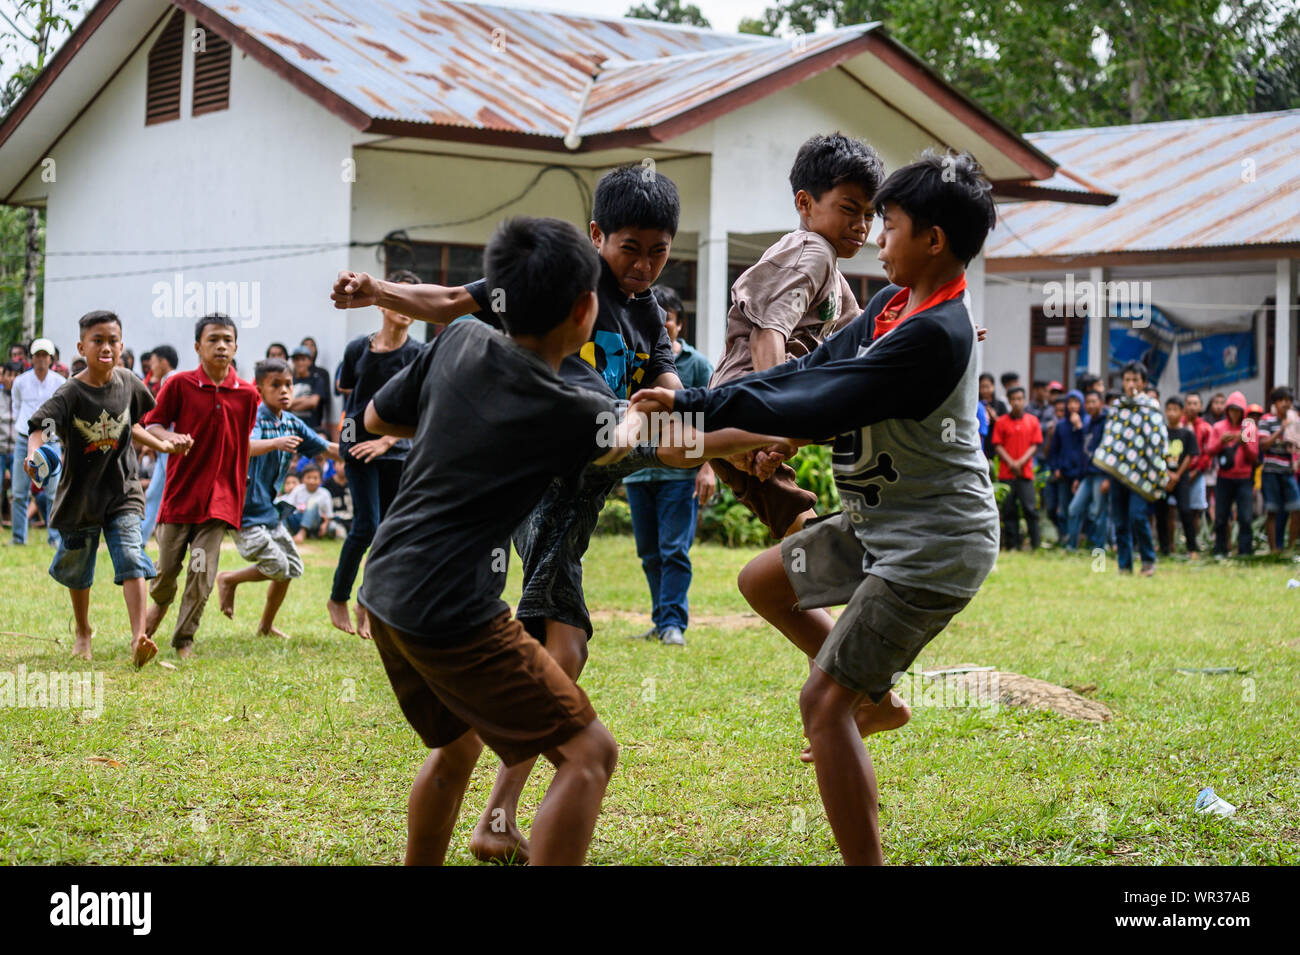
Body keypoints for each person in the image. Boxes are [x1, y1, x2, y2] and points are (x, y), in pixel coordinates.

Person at [633, 150, 999, 866]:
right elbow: (812, 371)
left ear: (933, 240)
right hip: (878, 525)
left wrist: (694, 404)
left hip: (931, 547)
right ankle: (873, 696)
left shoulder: (936, 332)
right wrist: (739, 423)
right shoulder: (896, 308)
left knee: (820, 706)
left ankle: (855, 712)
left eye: (887, 224)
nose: (876, 237)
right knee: (762, 581)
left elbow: (819, 396)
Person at [331, 163, 691, 863]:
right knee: (589, 752)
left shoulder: (459, 343)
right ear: (585, 307)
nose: (643, 266)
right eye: (628, 250)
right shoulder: (573, 406)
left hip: (387, 587)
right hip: (450, 605)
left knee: (459, 742)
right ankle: (496, 821)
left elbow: (377, 415)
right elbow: (642, 442)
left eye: (658, 251)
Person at [704, 132, 883, 538]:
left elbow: (864, 336)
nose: (861, 226)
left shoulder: (832, 273)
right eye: (850, 210)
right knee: (877, 410)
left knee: (795, 526)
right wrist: (777, 425)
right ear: (805, 203)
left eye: (870, 215)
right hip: (750, 398)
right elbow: (767, 335)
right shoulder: (812, 251)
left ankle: (741, 453)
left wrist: (931, 324)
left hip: (742, 408)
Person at [22, 311, 174, 666]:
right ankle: (82, 631)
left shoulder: (129, 382)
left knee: (133, 557)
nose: (106, 347)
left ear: (121, 345)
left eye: (113, 340)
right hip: (81, 496)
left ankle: (139, 637)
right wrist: (34, 456)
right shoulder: (70, 392)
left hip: (123, 490)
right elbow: (41, 430)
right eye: (98, 340)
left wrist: (163, 443)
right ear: (81, 347)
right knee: (79, 567)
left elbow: (135, 422)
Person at [141, 315, 260, 658]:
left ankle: (184, 640)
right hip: (181, 496)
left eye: (227, 339)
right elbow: (154, 424)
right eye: (213, 339)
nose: (221, 345)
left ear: (235, 346)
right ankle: (157, 611)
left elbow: (242, 441)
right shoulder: (178, 385)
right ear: (198, 346)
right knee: (165, 573)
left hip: (220, 501)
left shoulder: (248, 395)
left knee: (201, 571)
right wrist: (171, 437)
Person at [325, 270, 425, 638]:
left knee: (389, 532)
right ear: (384, 301)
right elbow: (349, 392)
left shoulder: (419, 354)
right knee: (366, 525)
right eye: (400, 296)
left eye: (414, 299)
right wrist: (348, 442)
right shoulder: (357, 349)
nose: (406, 307)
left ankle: (368, 602)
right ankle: (338, 597)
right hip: (357, 447)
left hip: (397, 449)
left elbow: (419, 406)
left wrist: (385, 441)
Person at [217, 358, 338, 638]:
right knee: (278, 566)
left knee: (292, 567)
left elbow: (325, 448)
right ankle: (228, 579)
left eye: (288, 385)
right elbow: (244, 446)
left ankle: (265, 626)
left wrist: (357, 451)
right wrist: (274, 443)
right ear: (259, 389)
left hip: (269, 512)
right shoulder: (255, 418)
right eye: (276, 385)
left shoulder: (292, 423)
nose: (284, 391)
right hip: (245, 511)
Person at [623, 285, 716, 646]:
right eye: (654, 318)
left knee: (674, 549)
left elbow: (711, 417)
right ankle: (662, 620)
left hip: (681, 472)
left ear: (679, 324)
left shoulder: (698, 365)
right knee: (649, 551)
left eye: (668, 319)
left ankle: (674, 623)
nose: (662, 325)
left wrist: (707, 467)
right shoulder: (633, 359)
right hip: (639, 471)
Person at [1092, 360, 1167, 575]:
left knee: (1137, 516)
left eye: (1135, 379)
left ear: (1143, 382)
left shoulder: (1150, 408)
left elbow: (1157, 441)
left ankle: (1148, 561)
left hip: (1142, 473)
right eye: (1127, 380)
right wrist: (1107, 472)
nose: (1131, 383)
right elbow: (1111, 440)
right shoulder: (1117, 408)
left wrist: (1158, 471)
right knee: (1120, 520)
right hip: (1117, 473)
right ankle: (1124, 565)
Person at [10, 338, 66, 546]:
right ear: (31, 358)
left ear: (51, 359)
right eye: (37, 355)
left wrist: (48, 435)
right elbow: (16, 407)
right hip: (24, 439)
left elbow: (61, 413)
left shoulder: (60, 383)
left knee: (53, 492)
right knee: (18, 492)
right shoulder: (20, 381)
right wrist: (25, 429)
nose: (41, 359)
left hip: (51, 441)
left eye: (45, 355)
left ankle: (54, 538)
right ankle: (18, 538)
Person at [1205, 391, 1259, 557]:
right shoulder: (1219, 427)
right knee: (1220, 516)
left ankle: (1245, 551)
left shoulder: (1248, 426)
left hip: (1244, 478)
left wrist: (1244, 443)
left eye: (1238, 410)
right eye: (1232, 409)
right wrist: (1221, 442)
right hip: (1224, 478)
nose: (1234, 413)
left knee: (1245, 517)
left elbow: (1253, 457)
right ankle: (1220, 549)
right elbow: (1209, 451)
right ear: (1227, 410)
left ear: (1242, 411)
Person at [992, 385, 1042, 551]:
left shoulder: (1032, 421)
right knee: (1009, 510)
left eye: (1019, 399)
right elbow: (997, 445)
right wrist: (1011, 462)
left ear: (1025, 400)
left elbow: (1035, 445)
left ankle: (1036, 545)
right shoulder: (1001, 422)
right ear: (1009, 401)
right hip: (1006, 473)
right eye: (1013, 399)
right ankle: (1013, 545)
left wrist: (1020, 462)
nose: (1016, 402)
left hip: (1025, 472)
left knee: (1030, 509)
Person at [140, 345, 179, 541]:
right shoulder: (170, 379)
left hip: (171, 444)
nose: (151, 367)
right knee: (156, 491)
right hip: (168, 444)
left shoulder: (171, 380)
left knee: (161, 491)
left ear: (163, 362)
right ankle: (142, 537)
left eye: (153, 362)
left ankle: (146, 537)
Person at [1065, 390, 1110, 551]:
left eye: (1094, 401)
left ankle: (1100, 549)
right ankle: (1071, 546)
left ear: (1101, 403)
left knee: (1098, 513)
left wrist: (1107, 477)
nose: (1090, 405)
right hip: (1087, 475)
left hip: (1100, 475)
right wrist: (1078, 477)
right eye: (1088, 402)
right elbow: (1084, 453)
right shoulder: (1087, 423)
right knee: (1074, 509)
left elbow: (1109, 451)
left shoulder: (1107, 423)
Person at [1155, 395, 1199, 557]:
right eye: (1169, 409)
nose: (1172, 413)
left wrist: (1177, 475)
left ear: (1182, 412)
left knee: (1185, 511)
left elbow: (1190, 455)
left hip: (1181, 479)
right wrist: (1166, 474)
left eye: (1175, 409)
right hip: (1162, 478)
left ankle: (1192, 548)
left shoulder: (1187, 433)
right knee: (1161, 513)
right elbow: (1156, 454)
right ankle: (1165, 548)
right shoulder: (1160, 432)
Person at [1258, 386, 1300, 551]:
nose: (1286, 403)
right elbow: (1263, 445)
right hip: (1270, 472)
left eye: (1288, 400)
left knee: (1296, 509)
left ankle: (1289, 550)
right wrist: (1281, 429)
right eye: (1282, 400)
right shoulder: (1266, 420)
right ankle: (1274, 550)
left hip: (1288, 472)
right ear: (1275, 403)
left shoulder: (1295, 422)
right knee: (1272, 511)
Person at [1046, 390, 1087, 541]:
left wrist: (1079, 427)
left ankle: (1076, 539)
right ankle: (1065, 538)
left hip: (1081, 473)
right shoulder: (1061, 425)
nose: (1073, 406)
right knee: (1063, 509)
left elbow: (1087, 447)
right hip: (1064, 473)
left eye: (1076, 402)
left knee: (1077, 508)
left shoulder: (1087, 422)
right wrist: (1055, 467)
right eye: (1070, 403)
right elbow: (1054, 450)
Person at [1183, 391, 1214, 542]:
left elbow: (1208, 453)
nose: (1192, 407)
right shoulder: (1179, 424)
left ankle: (1192, 541)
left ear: (1200, 406)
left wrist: (1196, 471)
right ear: (1184, 406)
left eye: (1195, 403)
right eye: (1189, 403)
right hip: (1179, 475)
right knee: (1178, 509)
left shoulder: (1206, 428)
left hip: (1198, 473)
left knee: (1195, 510)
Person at [285, 464, 334, 542]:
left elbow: (329, 514)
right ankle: (286, 533)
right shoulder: (298, 489)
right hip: (297, 519)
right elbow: (288, 506)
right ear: (303, 479)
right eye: (308, 477)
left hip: (315, 522)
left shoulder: (325, 493)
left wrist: (325, 525)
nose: (311, 481)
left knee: (312, 503)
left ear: (321, 480)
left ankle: (303, 532)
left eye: (315, 478)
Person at [289, 346, 330, 436]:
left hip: (312, 428)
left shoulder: (317, 380)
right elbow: (283, 406)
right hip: (291, 428)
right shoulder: (289, 381)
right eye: (296, 359)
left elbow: (313, 402)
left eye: (303, 359)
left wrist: (290, 404)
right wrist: (303, 399)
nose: (300, 363)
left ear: (310, 361)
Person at [0, 361, 18, 526]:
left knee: (17, 490)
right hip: (0, 449)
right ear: (2, 377)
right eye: (8, 375)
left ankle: (15, 523)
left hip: (16, 449)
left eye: (15, 375)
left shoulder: (21, 396)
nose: (11, 379)